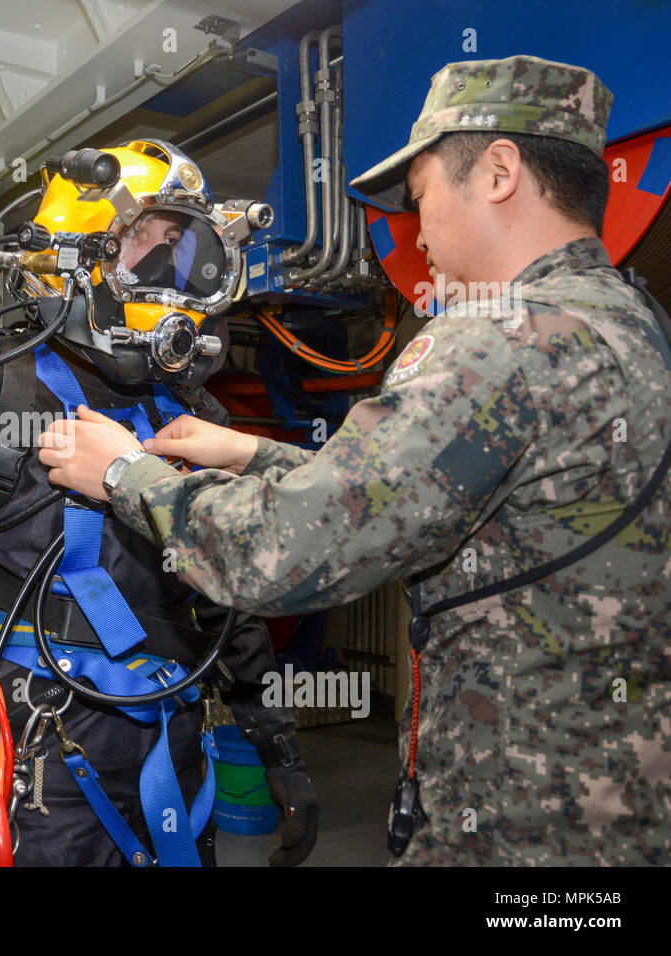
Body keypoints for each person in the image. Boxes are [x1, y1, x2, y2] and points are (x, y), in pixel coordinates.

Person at [38, 55, 671, 865]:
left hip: (522, 826)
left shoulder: (497, 341)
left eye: (421, 198)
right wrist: (254, 454)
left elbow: (285, 555)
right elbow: (424, 492)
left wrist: (124, 473)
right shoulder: (630, 324)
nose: (419, 230)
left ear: (501, 172)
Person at [0, 140, 319, 867]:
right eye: (149, 247)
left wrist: (277, 747)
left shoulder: (194, 419)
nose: (168, 276)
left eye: (186, 254)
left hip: (178, 772)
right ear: (78, 249)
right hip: (33, 785)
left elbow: (219, 595)